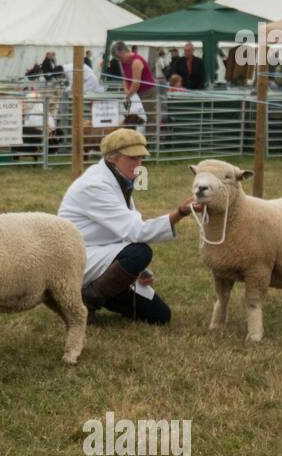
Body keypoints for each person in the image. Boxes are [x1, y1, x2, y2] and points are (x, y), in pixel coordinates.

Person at [58, 128, 198, 325]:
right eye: (132, 158)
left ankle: (97, 293)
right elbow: (136, 232)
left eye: (141, 158)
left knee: (160, 316)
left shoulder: (118, 179)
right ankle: (85, 301)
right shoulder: (95, 185)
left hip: (99, 255)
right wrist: (180, 213)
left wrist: (138, 272)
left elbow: (127, 230)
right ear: (112, 157)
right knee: (139, 253)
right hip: (77, 257)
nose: (139, 164)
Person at [115, 41, 157, 137]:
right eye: (118, 58)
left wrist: (128, 95)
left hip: (147, 92)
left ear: (125, 52)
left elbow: (136, 83)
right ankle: (132, 139)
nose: (119, 60)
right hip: (133, 93)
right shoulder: (122, 62)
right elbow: (124, 77)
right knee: (130, 117)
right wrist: (126, 90)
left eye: (120, 57)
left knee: (149, 117)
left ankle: (149, 143)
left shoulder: (136, 61)